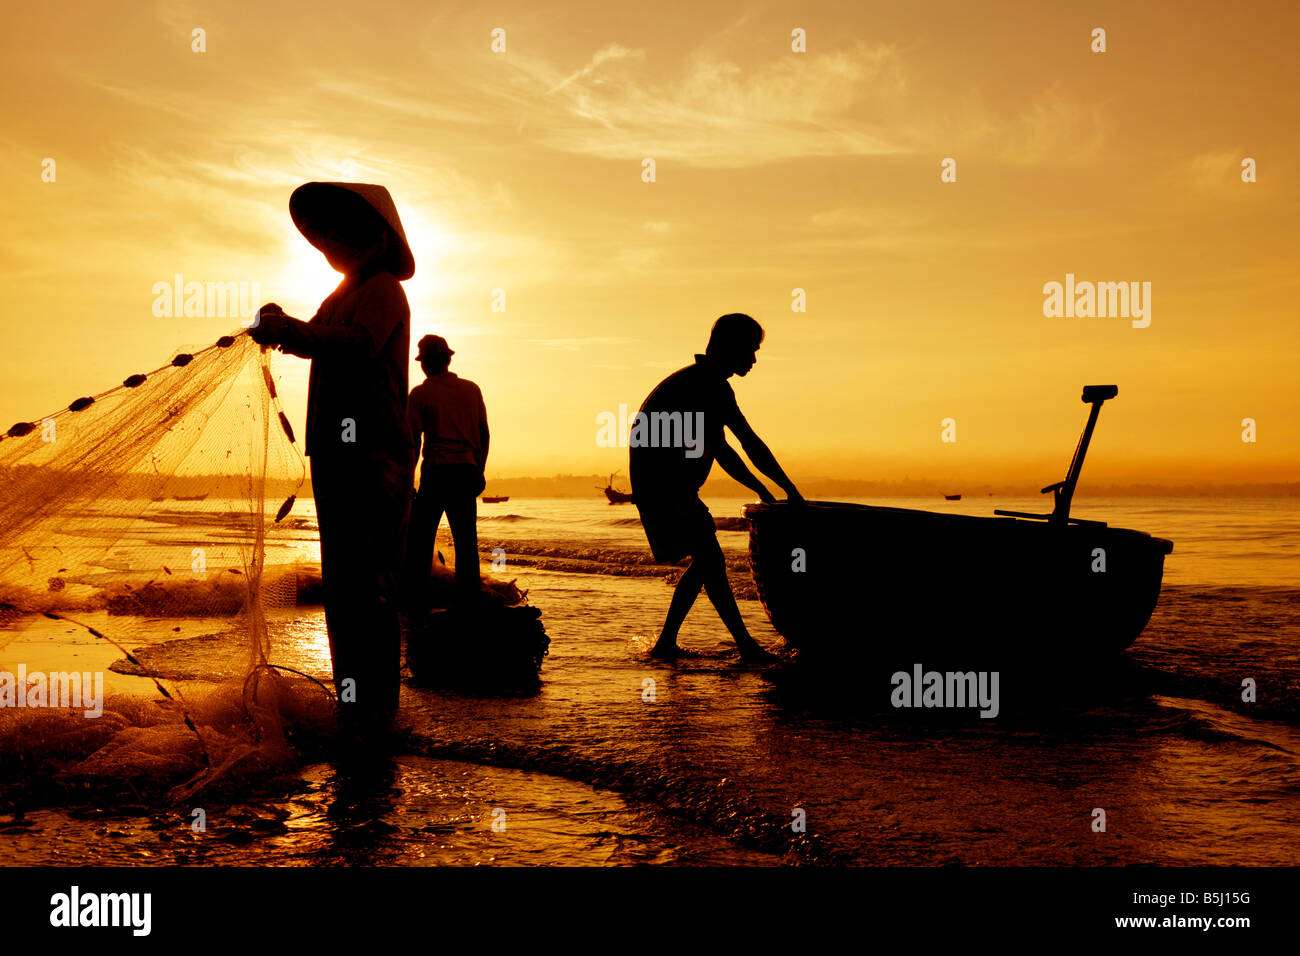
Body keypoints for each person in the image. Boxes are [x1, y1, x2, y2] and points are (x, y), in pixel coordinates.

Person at [249, 181, 415, 722]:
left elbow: (360, 345)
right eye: (331, 235)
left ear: (376, 238)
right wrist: (280, 323)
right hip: (336, 453)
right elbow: (311, 336)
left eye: (347, 232)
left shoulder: (385, 288)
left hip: (374, 451)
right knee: (343, 585)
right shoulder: (340, 294)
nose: (336, 242)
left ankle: (377, 711)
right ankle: (354, 705)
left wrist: (291, 329)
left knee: (372, 586)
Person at [630, 313, 803, 663]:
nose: (754, 360)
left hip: (664, 484)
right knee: (711, 559)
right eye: (750, 350)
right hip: (664, 484)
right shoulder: (709, 385)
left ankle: (666, 643)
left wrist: (764, 489)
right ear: (730, 347)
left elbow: (724, 451)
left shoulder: (699, 383)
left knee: (705, 562)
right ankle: (747, 647)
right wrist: (790, 490)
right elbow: (750, 443)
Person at [404, 334, 489, 616]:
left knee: (419, 540)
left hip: (437, 473)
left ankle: (416, 601)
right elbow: (483, 433)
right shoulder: (471, 389)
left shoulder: (420, 395)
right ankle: (468, 604)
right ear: (448, 359)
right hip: (465, 471)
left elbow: (413, 442)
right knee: (467, 542)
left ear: (425, 364)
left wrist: (407, 479)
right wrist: (480, 469)